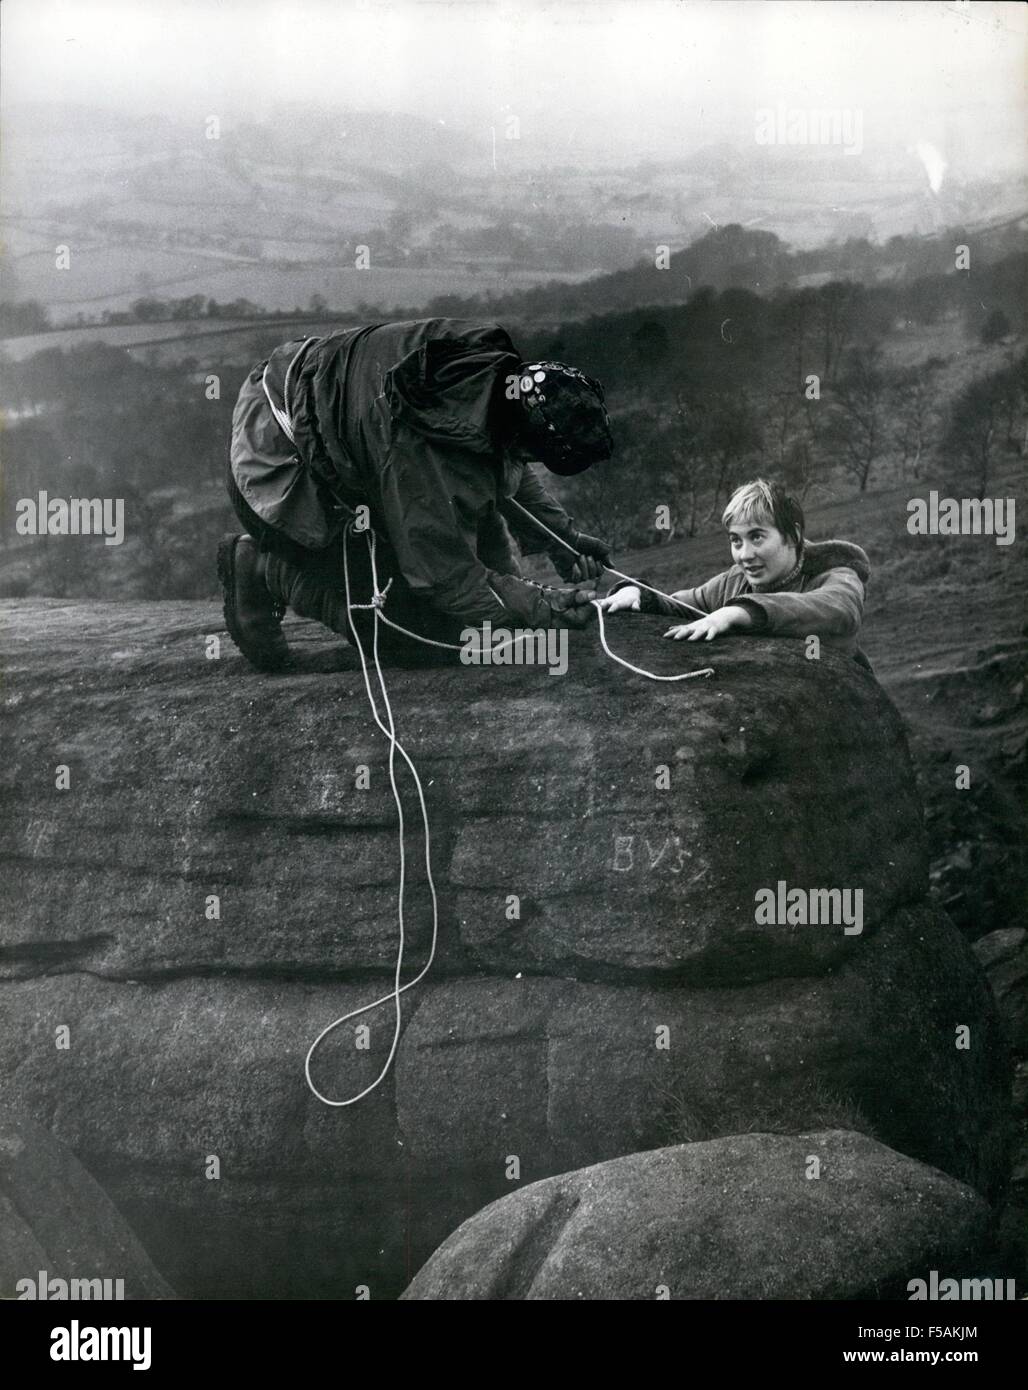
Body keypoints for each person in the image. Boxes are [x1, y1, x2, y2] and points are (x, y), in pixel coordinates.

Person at [218, 318, 615, 670]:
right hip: (274, 469)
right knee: (438, 636)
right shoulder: (424, 455)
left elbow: (501, 452)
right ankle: (265, 568)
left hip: (312, 405)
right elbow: (447, 580)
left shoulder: (496, 369)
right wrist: (539, 605)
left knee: (498, 598)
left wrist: (561, 538)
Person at [600, 478, 873, 668]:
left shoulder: (837, 574)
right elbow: (685, 603)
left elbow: (839, 609)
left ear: (793, 536)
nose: (744, 555)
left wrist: (737, 613)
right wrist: (638, 593)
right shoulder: (734, 582)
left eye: (757, 537)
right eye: (736, 540)